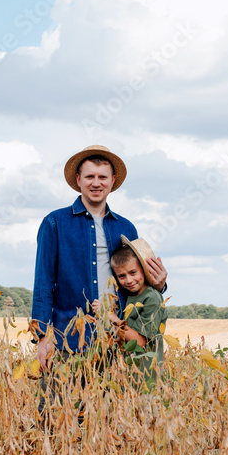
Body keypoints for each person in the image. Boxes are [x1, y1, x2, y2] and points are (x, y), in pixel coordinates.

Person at [32, 145, 167, 372]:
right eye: (90, 177)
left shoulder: (126, 228)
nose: (96, 183)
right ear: (78, 180)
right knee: (59, 406)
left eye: (102, 177)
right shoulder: (54, 223)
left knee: (112, 407)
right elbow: (43, 284)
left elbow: (136, 283)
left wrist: (159, 284)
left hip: (116, 343)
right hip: (67, 341)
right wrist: (42, 338)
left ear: (112, 181)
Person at [92, 237, 168, 391]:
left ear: (144, 269)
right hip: (130, 373)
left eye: (133, 272)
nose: (129, 280)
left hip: (148, 376)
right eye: (121, 276)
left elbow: (139, 342)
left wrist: (109, 317)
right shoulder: (129, 297)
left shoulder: (151, 298)